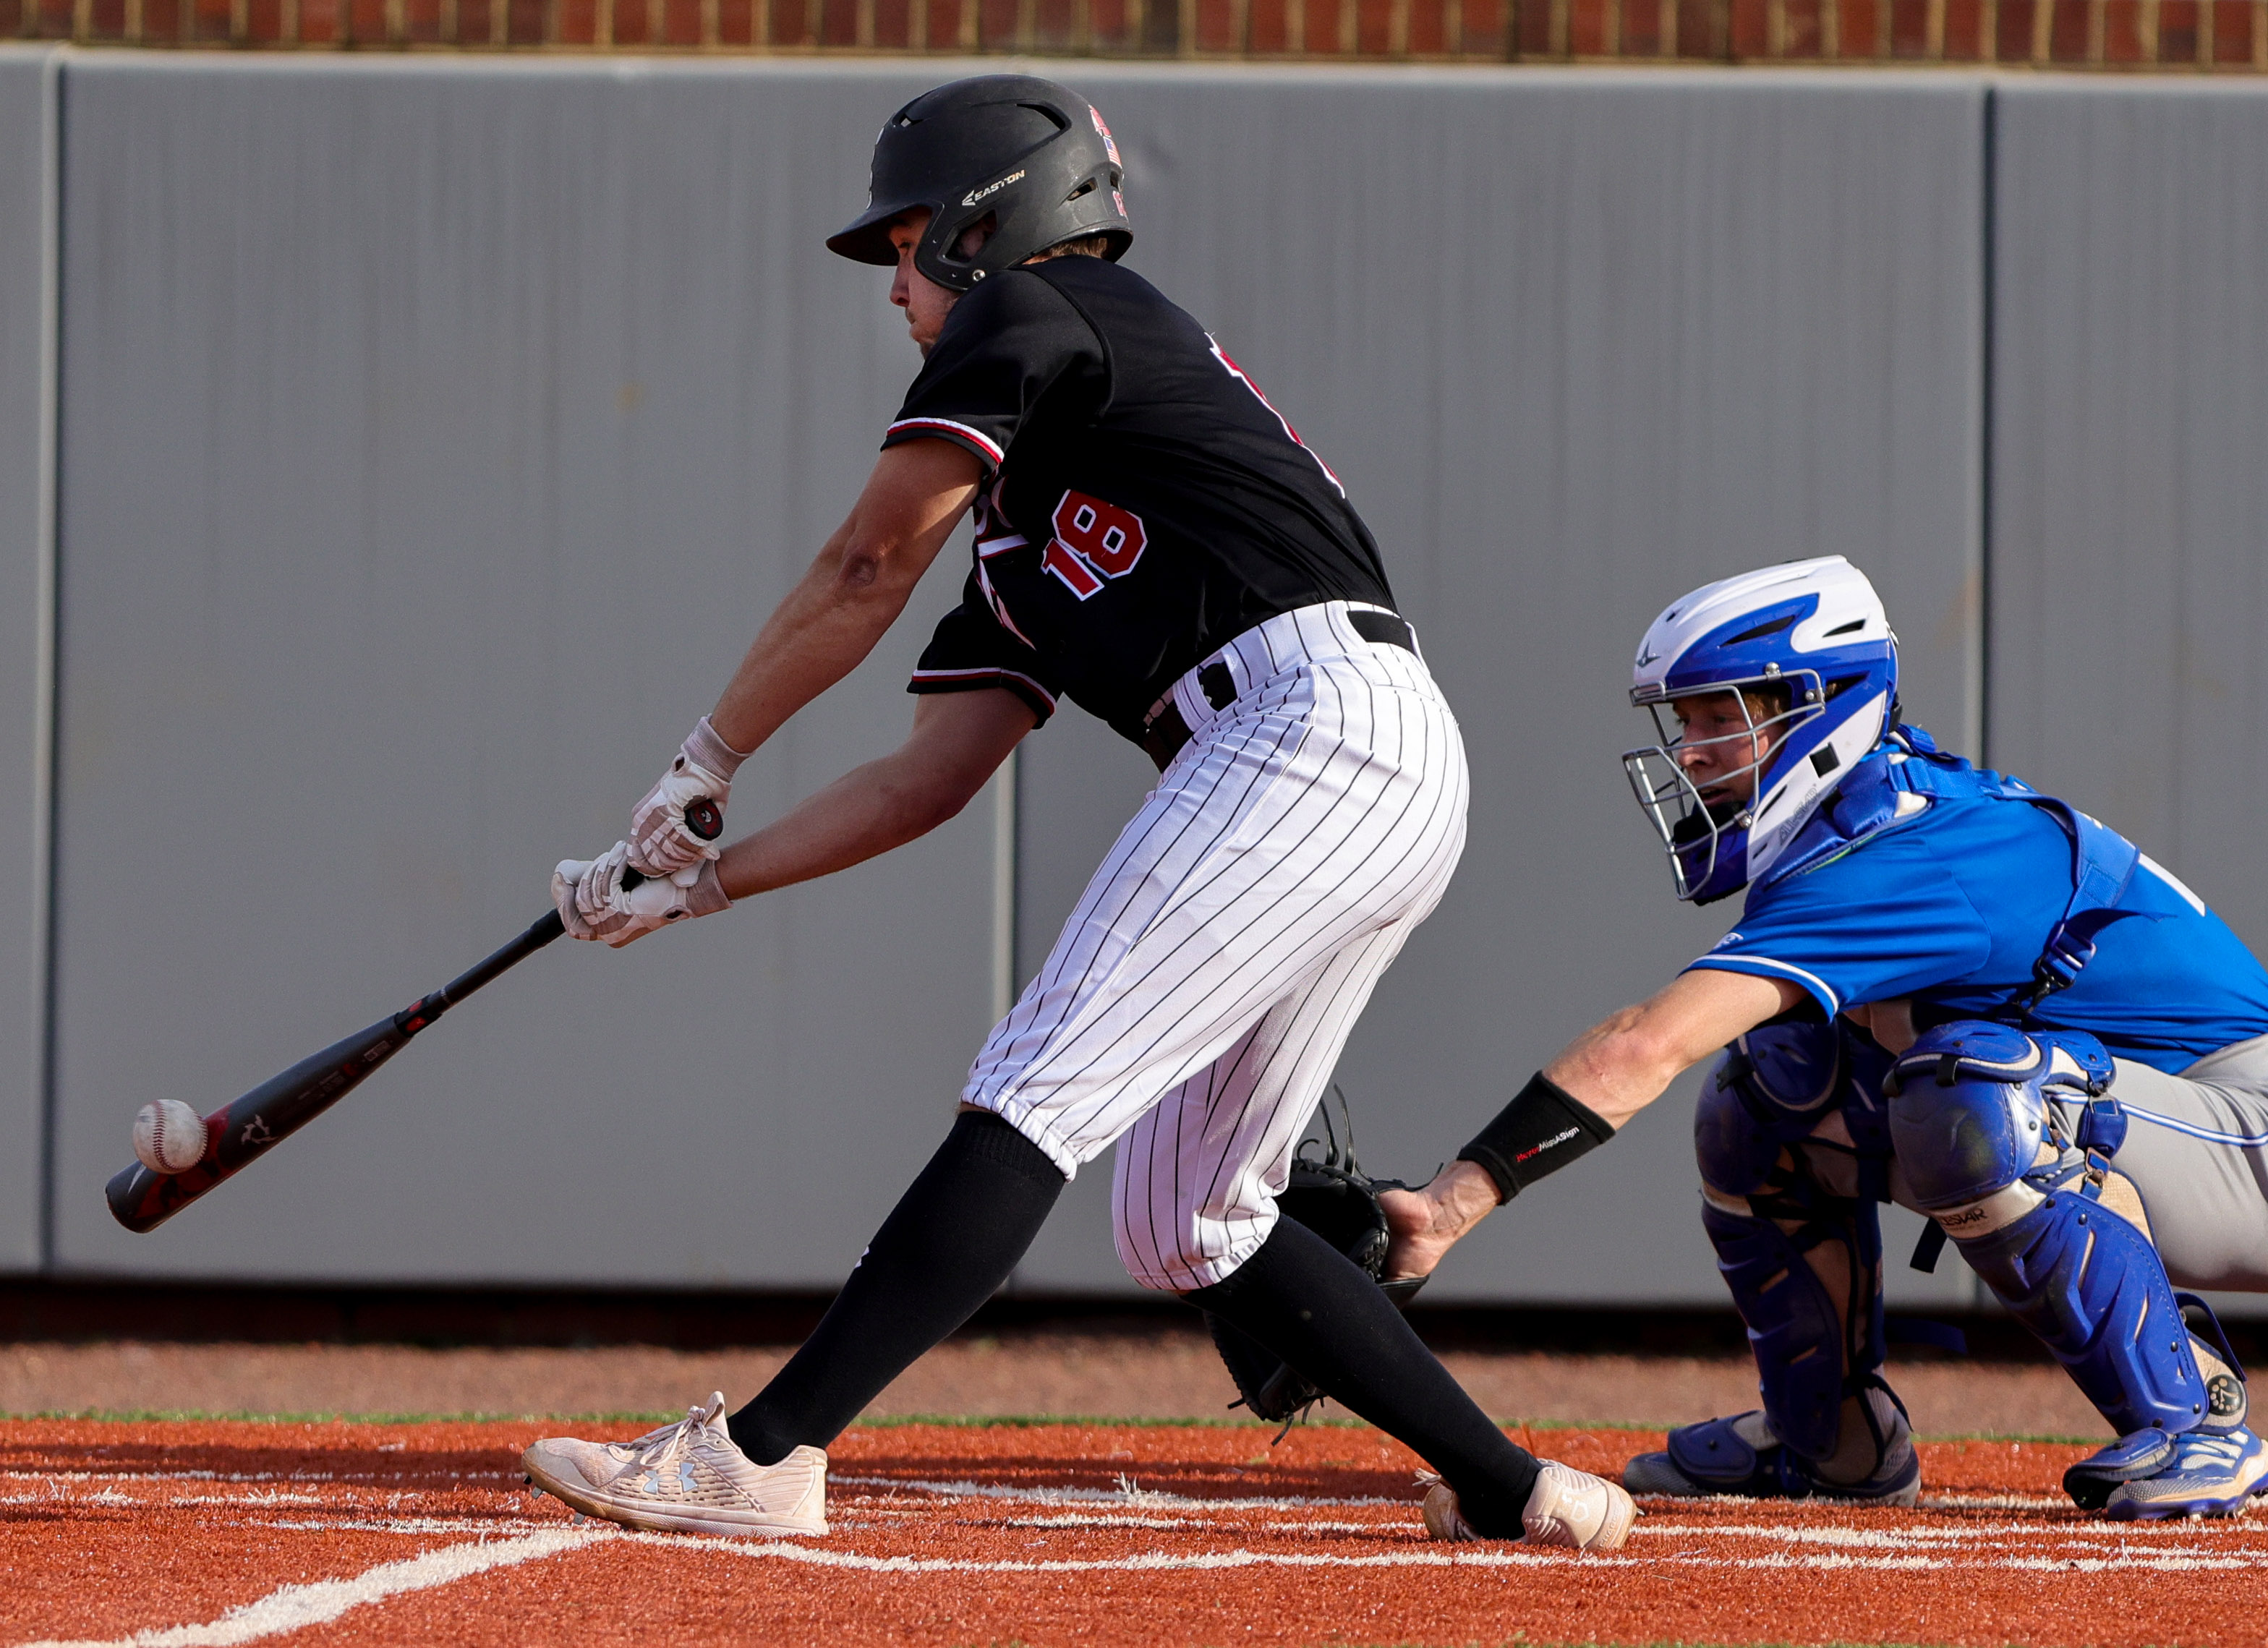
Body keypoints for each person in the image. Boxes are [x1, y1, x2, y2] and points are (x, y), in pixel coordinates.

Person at [515, 74, 1634, 1552]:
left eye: (908, 244)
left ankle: (767, 1454)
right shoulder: (1026, 525)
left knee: (1035, 1088)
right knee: (1186, 1221)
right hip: (1349, 757)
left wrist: (704, 761)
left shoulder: (1039, 308)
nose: (897, 286)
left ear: (989, 226)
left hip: (1309, 727)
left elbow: (863, 568)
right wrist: (705, 882)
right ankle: (1515, 1491)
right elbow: (924, 778)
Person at [1379, 554, 2268, 1519]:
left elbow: (1644, 1045)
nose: (1691, 753)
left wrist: (1447, 1208)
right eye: (1685, 724)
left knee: (1974, 1089)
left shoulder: (1905, 853)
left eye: (1719, 719)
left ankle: (2200, 1423)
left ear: (1821, 707)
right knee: (1770, 1089)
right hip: (2178, 1124)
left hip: (2244, 1126)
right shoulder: (1861, 819)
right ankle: (1836, 1446)